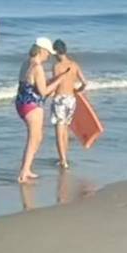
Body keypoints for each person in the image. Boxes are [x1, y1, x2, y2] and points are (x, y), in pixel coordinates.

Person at [16, 37, 70, 183]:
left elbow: (33, 85)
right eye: (48, 53)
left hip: (21, 102)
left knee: (38, 137)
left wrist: (55, 79)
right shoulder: (38, 67)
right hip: (32, 105)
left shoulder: (26, 63)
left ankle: (27, 168)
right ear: (42, 51)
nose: (49, 56)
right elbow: (44, 92)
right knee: (34, 138)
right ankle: (24, 172)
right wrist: (60, 80)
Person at [49, 39, 89, 169]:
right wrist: (77, 90)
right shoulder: (74, 65)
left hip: (60, 100)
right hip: (71, 99)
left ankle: (63, 161)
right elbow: (84, 82)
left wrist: (47, 94)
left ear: (56, 52)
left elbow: (56, 84)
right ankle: (64, 157)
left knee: (59, 132)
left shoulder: (56, 67)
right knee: (65, 130)